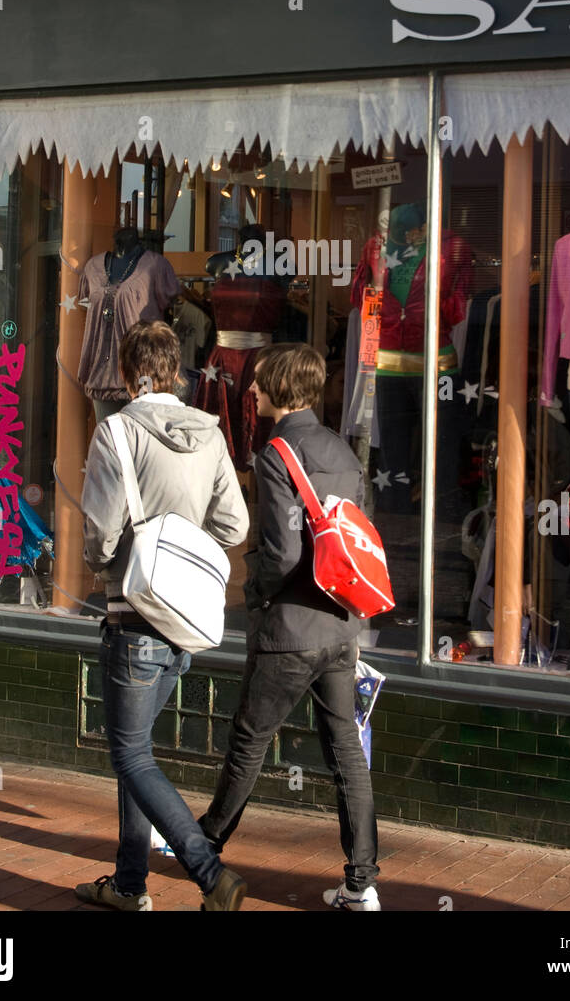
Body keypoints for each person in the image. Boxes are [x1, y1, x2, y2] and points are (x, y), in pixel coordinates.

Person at [199, 343, 381, 911]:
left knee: (249, 742)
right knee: (345, 751)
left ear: (278, 388)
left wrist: (253, 596)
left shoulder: (276, 452)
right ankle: (362, 882)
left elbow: (279, 554)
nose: (250, 392)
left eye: (257, 384)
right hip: (339, 625)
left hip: (289, 631)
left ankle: (202, 846)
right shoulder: (342, 452)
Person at [78, 319, 251, 912]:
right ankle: (130, 886)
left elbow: (100, 534)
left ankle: (210, 875)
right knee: (138, 748)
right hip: (185, 625)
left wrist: (103, 562)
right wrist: (184, 538)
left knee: (129, 753)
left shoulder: (116, 433)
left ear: (128, 374)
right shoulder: (212, 432)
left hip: (133, 620)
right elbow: (235, 526)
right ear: (175, 371)